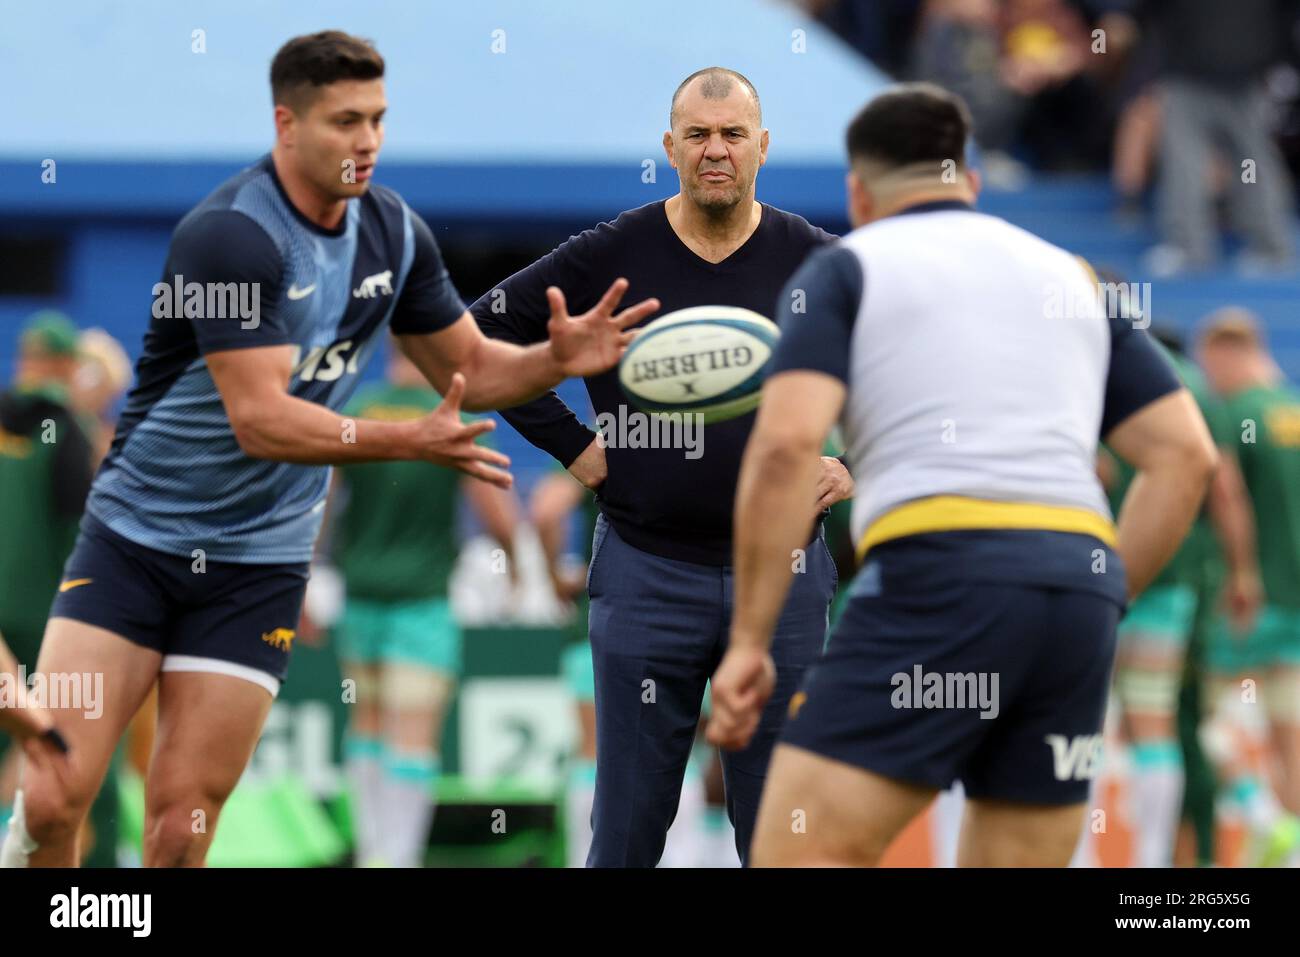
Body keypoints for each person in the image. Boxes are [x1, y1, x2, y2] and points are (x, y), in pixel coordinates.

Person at [1, 30, 656, 869]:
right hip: (134, 545)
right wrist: (406, 439)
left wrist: (552, 359)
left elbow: (472, 369)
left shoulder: (394, 235)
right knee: (57, 797)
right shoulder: (228, 237)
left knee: (180, 824)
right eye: (347, 120)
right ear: (287, 124)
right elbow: (259, 419)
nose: (369, 141)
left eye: (379, 119)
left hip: (255, 568)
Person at [708, 82, 1217, 866]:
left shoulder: (843, 268)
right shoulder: (1073, 276)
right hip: (1072, 591)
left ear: (860, 193)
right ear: (971, 185)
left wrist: (747, 642)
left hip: (939, 571)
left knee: (801, 850)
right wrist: (1102, 594)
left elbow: (783, 451)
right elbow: (1186, 457)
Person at [473, 67, 852, 866]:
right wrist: (573, 445)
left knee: (787, 836)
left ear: (763, 147)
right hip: (647, 571)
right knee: (628, 834)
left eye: (733, 135)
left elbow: (912, 370)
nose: (716, 150)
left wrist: (859, 459)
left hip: (783, 577)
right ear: (670, 146)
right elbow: (477, 340)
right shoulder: (611, 254)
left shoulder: (821, 263)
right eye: (699, 135)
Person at [329, 345, 519, 868]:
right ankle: (400, 858)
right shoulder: (455, 418)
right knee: (412, 735)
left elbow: (321, 502)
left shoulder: (358, 412)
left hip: (360, 592)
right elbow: (499, 516)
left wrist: (305, 578)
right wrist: (518, 573)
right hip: (423, 601)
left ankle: (373, 854)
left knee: (365, 724)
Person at [1196, 309, 1300, 866]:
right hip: (1297, 595)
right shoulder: (1293, 409)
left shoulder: (1235, 413)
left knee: (1209, 719)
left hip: (1251, 596)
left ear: (1227, 353)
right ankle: (1292, 843)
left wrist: (1241, 572)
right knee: (1290, 726)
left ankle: (1263, 819)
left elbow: (1228, 495)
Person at [0, 313, 95, 853]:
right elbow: (80, 525)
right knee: (65, 757)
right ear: (64, 364)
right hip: (51, 624)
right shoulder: (68, 428)